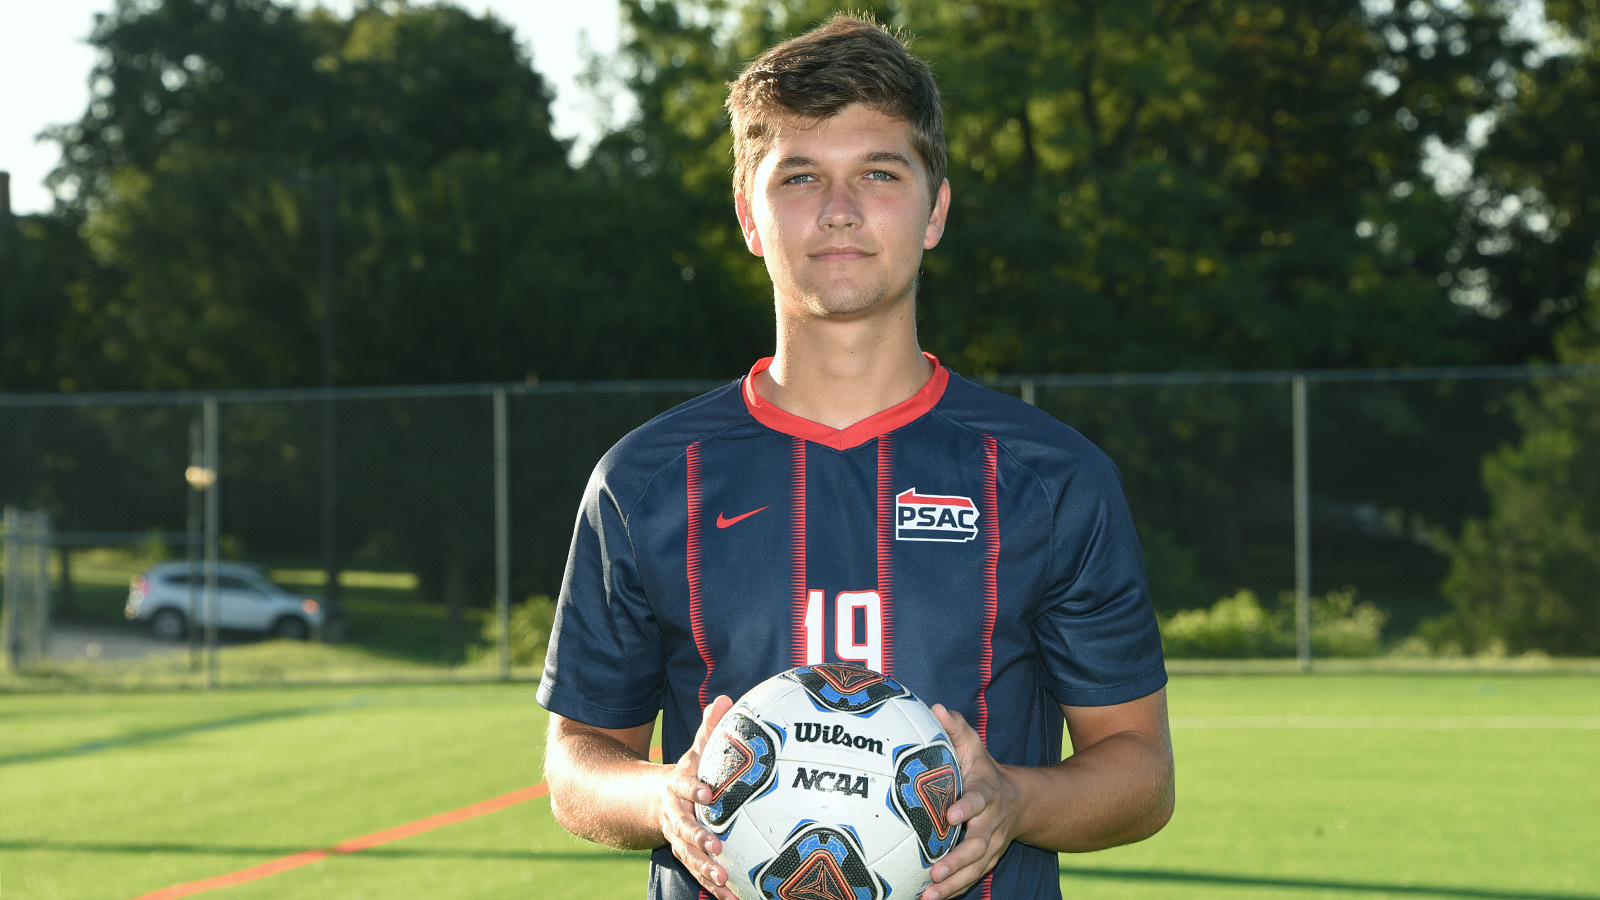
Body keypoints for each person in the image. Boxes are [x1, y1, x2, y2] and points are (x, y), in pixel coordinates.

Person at [538, 14, 1174, 900]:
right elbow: (577, 762)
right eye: (800, 177)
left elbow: (1140, 770)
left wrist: (1014, 800)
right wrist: (665, 796)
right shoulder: (645, 480)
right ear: (749, 217)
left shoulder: (1051, 478)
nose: (839, 210)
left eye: (879, 172)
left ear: (936, 208)